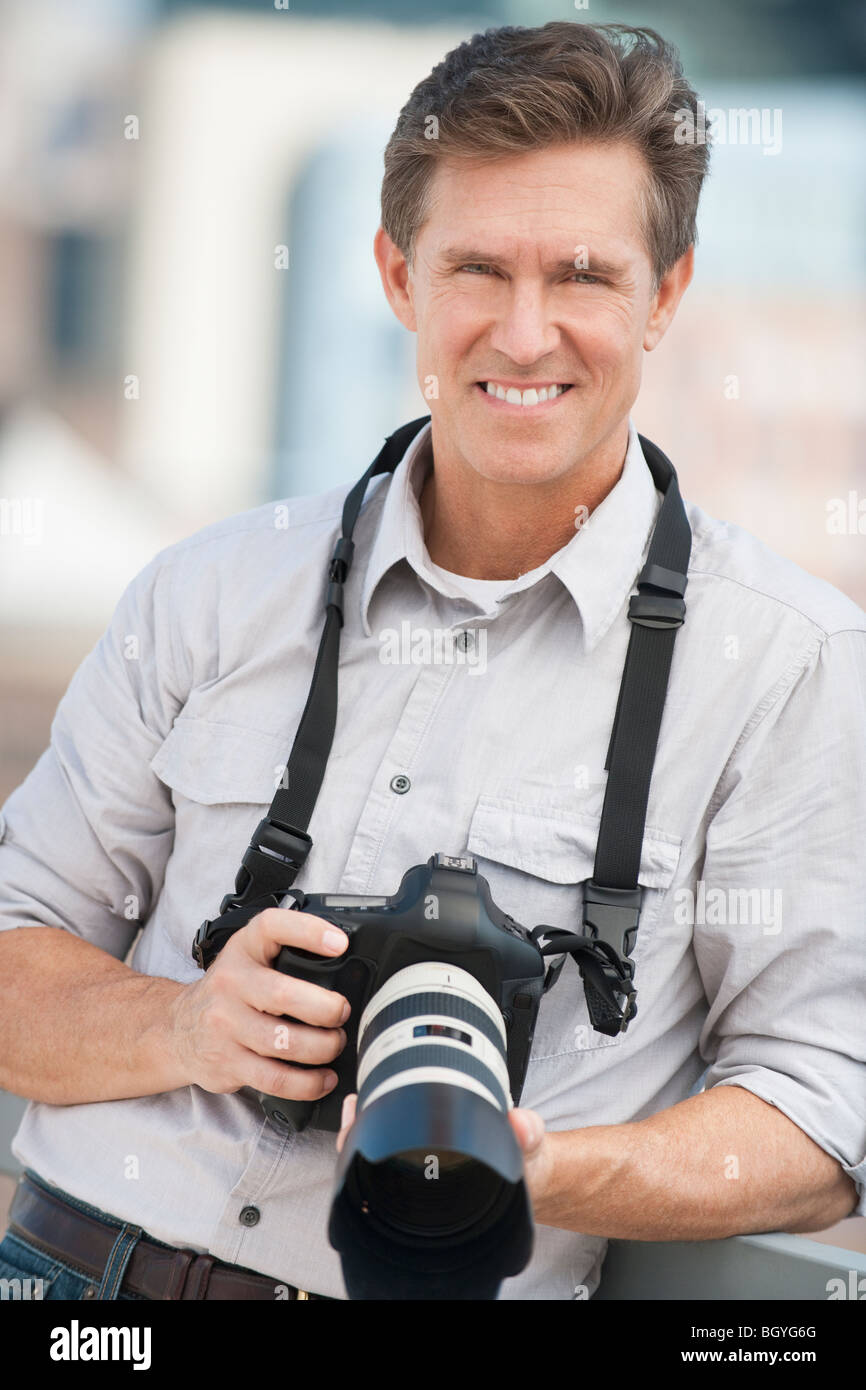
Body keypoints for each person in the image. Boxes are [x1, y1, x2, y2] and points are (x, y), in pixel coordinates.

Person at [0, 21, 863, 1303]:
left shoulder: (784, 666)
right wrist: (186, 1023)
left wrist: (524, 1164)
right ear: (396, 278)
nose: (523, 336)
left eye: (580, 273)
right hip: (74, 1292)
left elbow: (818, 1115)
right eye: (475, 269)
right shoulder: (209, 591)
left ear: (664, 293)